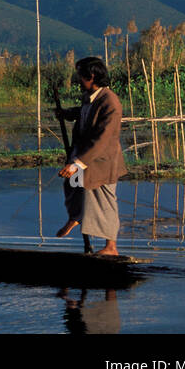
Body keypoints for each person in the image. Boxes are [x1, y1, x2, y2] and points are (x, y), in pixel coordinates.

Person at [55, 56, 127, 255]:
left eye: (81, 76)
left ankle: (111, 247)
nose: (78, 80)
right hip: (85, 155)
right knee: (72, 185)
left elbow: (103, 140)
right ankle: (76, 216)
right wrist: (67, 114)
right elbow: (85, 112)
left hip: (102, 161)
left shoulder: (110, 101)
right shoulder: (92, 96)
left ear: (92, 76)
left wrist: (77, 163)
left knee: (104, 201)